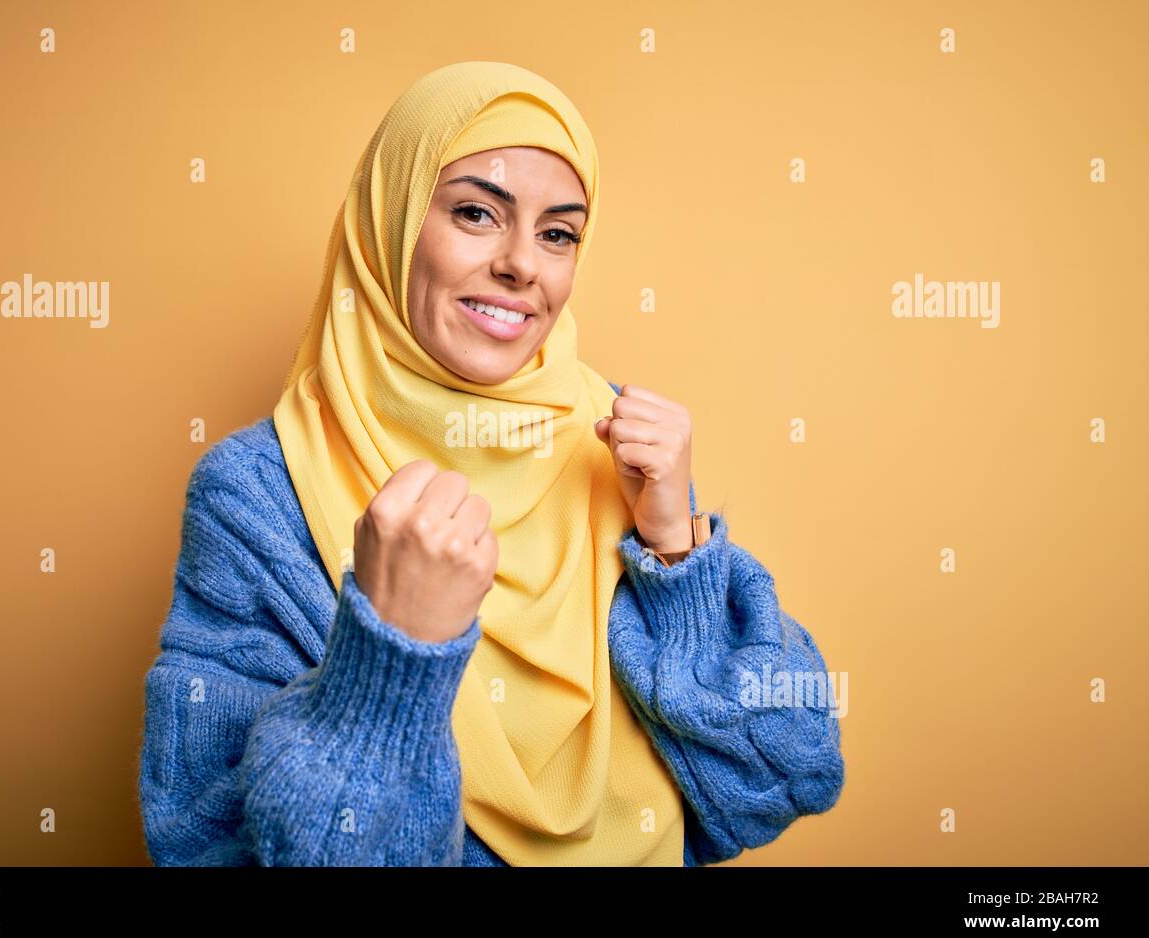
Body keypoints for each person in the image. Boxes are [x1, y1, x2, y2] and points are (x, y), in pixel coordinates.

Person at [138, 60, 845, 867]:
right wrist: (394, 651)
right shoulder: (259, 496)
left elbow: (784, 776)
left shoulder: (613, 446)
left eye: (558, 234)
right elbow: (206, 851)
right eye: (477, 213)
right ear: (391, 222)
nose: (523, 265)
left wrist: (676, 554)